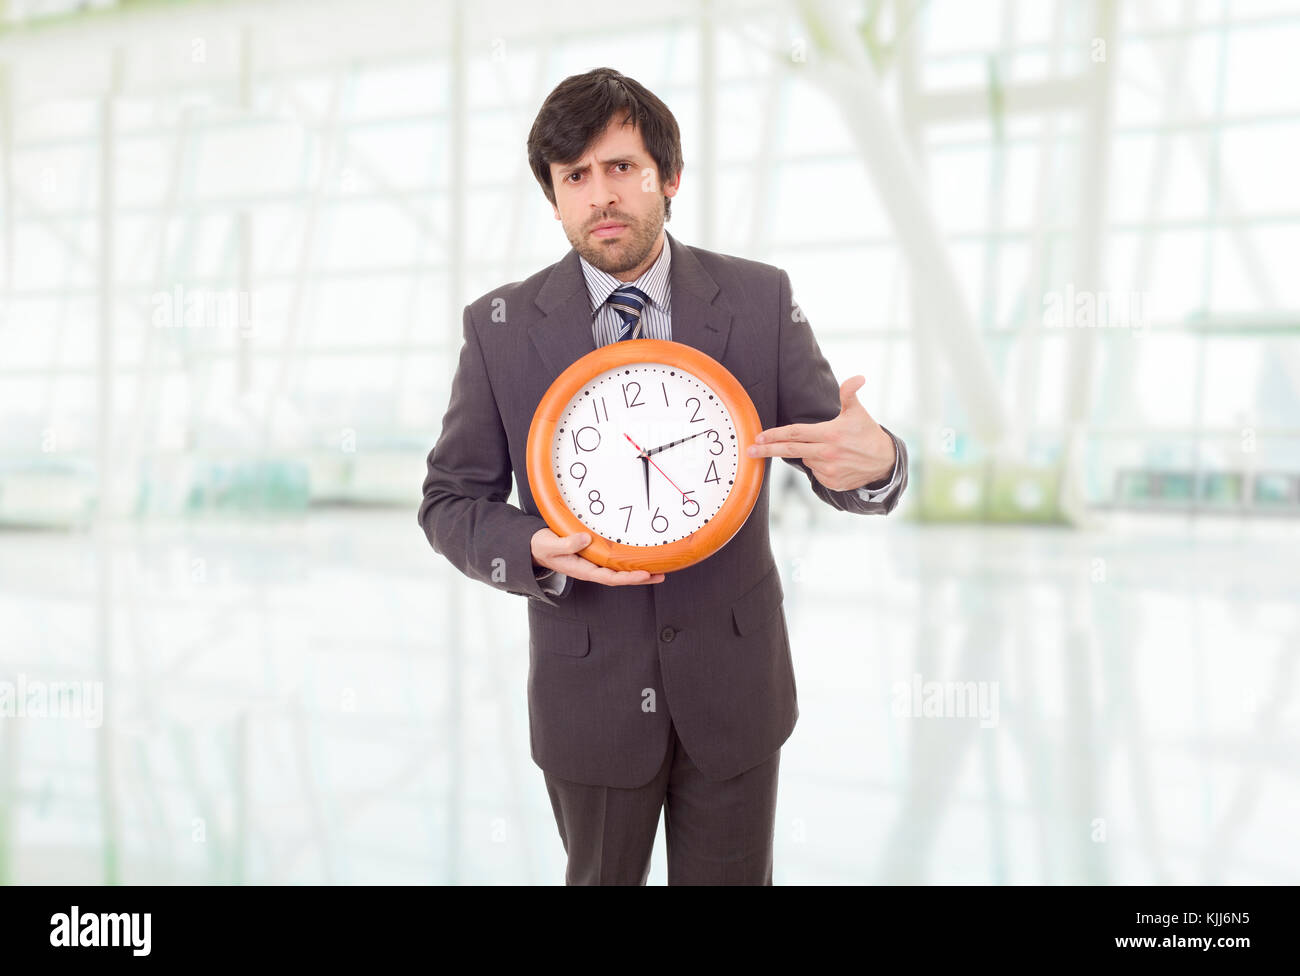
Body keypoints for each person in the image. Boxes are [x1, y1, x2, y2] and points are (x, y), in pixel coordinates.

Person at [418, 67, 908, 884]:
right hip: (590, 698)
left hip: (735, 690)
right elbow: (449, 501)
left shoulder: (757, 299)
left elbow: (834, 453)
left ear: (669, 177)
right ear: (554, 196)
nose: (600, 194)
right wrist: (532, 546)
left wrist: (881, 462)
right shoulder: (500, 328)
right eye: (575, 177)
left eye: (621, 168)